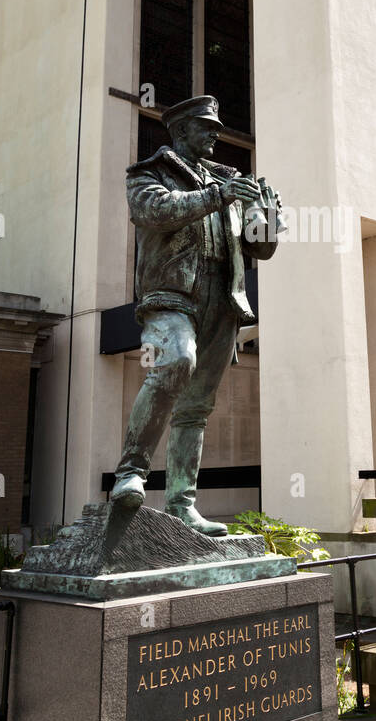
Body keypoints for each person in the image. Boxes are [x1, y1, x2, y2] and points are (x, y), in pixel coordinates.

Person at [109, 95, 280, 534]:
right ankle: (131, 473)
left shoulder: (231, 181)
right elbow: (157, 212)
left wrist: (270, 218)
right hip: (172, 292)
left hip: (223, 297)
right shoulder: (150, 173)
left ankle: (182, 505)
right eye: (207, 126)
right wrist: (218, 195)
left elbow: (259, 247)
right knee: (174, 361)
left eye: (217, 126)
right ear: (181, 130)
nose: (216, 134)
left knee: (198, 406)